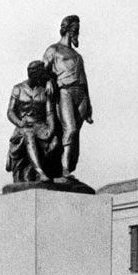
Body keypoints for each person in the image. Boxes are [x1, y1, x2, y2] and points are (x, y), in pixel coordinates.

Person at [43, 15, 93, 179]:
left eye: (77, 30)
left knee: (75, 133)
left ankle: (68, 168)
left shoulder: (78, 55)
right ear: (66, 29)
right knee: (69, 129)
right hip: (64, 91)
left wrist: (89, 104)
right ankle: (63, 168)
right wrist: (49, 81)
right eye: (74, 29)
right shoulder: (53, 49)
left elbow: (85, 80)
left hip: (81, 95)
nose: (76, 33)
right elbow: (43, 71)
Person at [5, 60, 61, 182]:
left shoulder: (44, 90)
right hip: (23, 127)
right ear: (33, 75)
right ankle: (40, 173)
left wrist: (50, 130)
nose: (43, 77)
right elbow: (10, 112)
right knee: (28, 135)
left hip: (40, 127)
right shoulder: (18, 88)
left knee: (55, 142)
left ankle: (41, 171)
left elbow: (49, 112)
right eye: (41, 75)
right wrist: (19, 123)